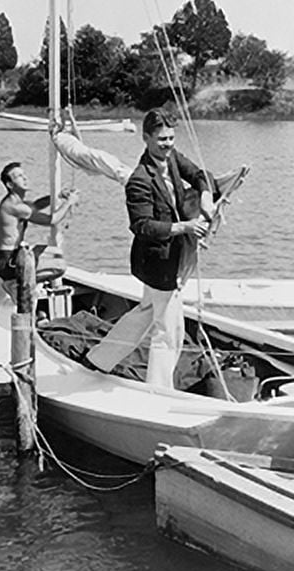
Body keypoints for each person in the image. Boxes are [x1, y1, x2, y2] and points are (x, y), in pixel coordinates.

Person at [85, 108, 216, 390]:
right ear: (146, 138)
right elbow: (142, 226)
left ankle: (99, 359)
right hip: (158, 262)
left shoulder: (173, 159)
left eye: (170, 138)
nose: (167, 144)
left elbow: (200, 173)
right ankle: (159, 390)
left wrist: (205, 193)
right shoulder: (139, 180)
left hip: (172, 259)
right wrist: (185, 227)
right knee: (169, 332)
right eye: (161, 140)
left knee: (146, 311)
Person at [0, 161, 79, 301]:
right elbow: (52, 220)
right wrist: (69, 203)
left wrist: (58, 196)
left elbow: (36, 205)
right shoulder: (14, 206)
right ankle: (15, 282)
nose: (25, 178)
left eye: (24, 174)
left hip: (13, 254)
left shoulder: (18, 202)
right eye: (19, 176)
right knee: (60, 266)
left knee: (56, 252)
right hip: (7, 262)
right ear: (10, 185)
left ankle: (22, 279)